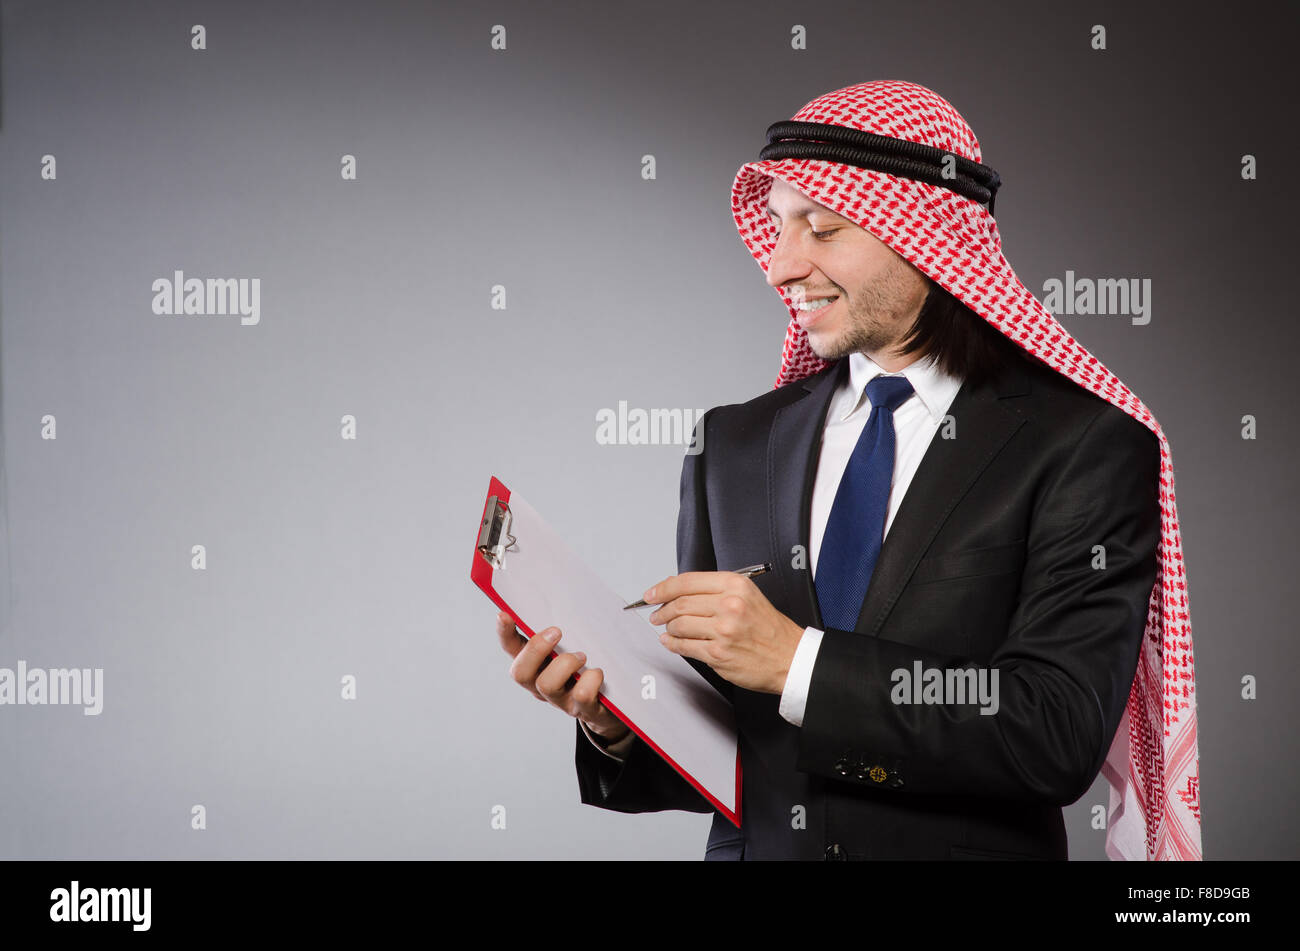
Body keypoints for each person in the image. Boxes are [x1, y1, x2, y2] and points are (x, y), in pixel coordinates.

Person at [496, 80, 1201, 861]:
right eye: (777, 227)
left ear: (931, 235)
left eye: (822, 229)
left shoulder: (1084, 445)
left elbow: (1054, 733)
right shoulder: (730, 446)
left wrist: (796, 660)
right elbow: (734, 752)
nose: (780, 266)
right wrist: (613, 721)